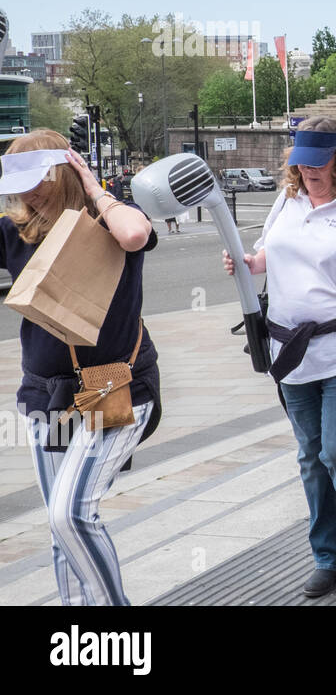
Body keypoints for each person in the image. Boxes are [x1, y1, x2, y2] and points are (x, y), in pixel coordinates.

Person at [224, 118, 336, 598]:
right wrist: (247, 263)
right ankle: (328, 558)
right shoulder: (287, 202)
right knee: (310, 456)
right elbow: (267, 253)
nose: (308, 170)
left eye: (317, 161)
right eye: (300, 162)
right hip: (294, 355)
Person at [3, 131, 160, 606]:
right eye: (18, 182)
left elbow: (135, 235)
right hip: (46, 396)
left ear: (65, 170)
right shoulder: (14, 230)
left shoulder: (111, 221)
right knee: (60, 527)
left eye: (39, 179)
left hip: (116, 391)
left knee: (72, 514)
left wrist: (95, 188)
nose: (28, 192)